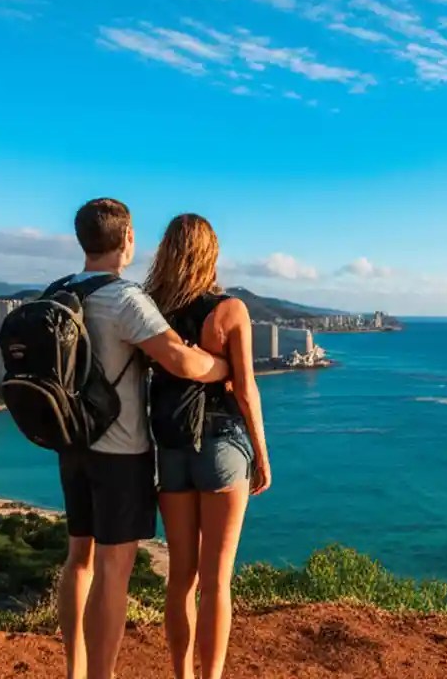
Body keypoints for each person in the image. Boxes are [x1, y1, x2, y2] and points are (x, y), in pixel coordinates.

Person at [57, 198, 230, 679]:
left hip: (72, 445)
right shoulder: (124, 299)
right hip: (119, 452)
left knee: (79, 561)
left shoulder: (60, 291)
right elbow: (180, 360)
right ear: (128, 238)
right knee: (114, 570)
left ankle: (76, 670)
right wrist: (223, 367)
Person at [144, 214, 272, 679]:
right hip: (222, 444)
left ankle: (181, 675)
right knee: (217, 581)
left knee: (181, 577)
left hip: (171, 445)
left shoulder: (151, 309)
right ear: (210, 254)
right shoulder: (230, 310)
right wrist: (261, 452)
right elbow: (246, 388)